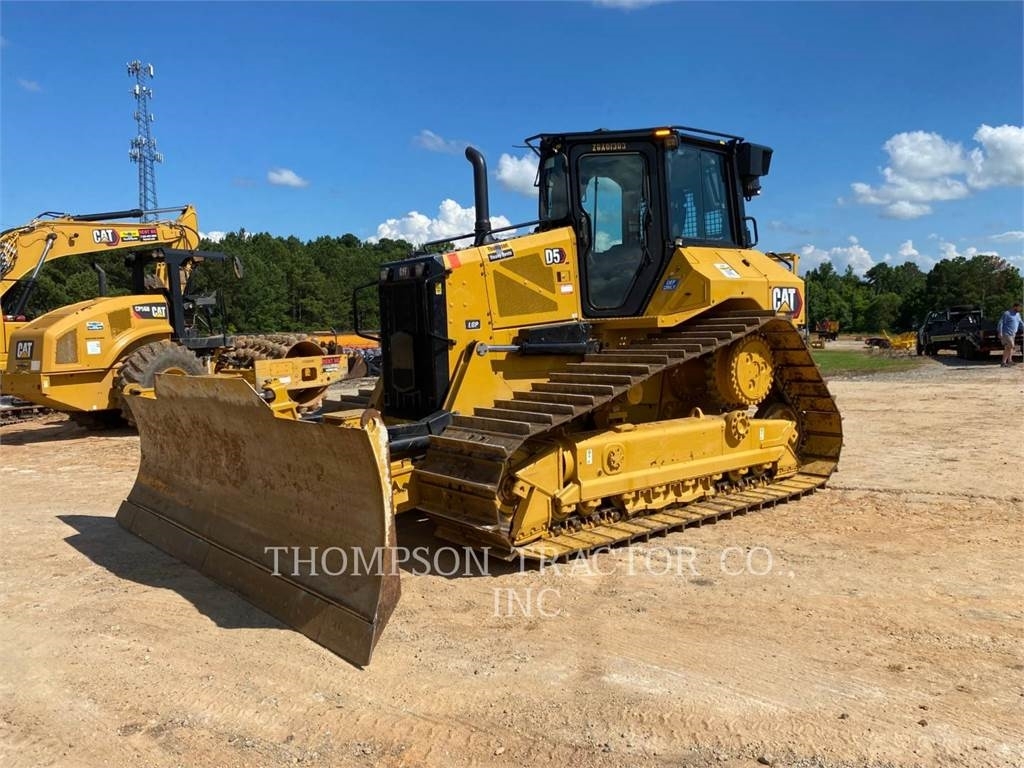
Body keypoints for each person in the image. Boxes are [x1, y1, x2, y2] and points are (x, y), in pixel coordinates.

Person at [997, 302, 1022, 367]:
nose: (1020, 309)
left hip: (1013, 334)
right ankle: (1003, 362)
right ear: (1014, 307)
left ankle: (1009, 361)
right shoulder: (1007, 313)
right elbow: (1001, 323)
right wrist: (1000, 332)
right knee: (1011, 346)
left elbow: (1021, 322)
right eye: (1019, 307)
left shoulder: (1018, 314)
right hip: (1006, 333)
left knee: (1008, 347)